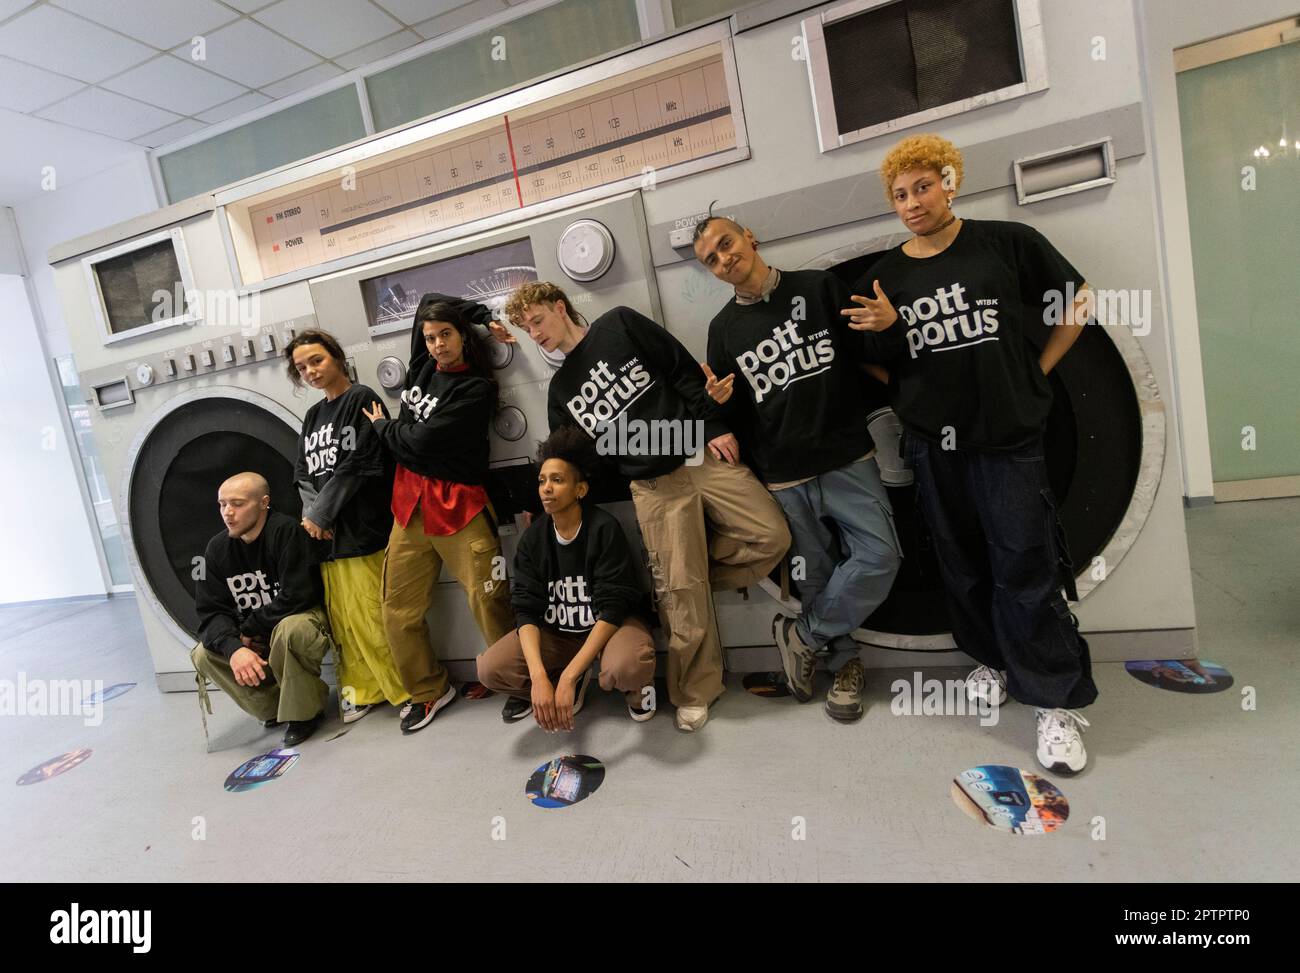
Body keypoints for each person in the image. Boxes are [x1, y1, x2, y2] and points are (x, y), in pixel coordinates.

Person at [849, 132, 1099, 773]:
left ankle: (1054, 700)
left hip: (1010, 438)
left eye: (923, 186)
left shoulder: (1005, 243)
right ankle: (992, 662)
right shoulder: (888, 278)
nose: (912, 202)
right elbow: (875, 365)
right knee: (962, 564)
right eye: (900, 194)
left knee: (1026, 566)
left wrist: (1039, 370)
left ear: (950, 182)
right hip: (936, 448)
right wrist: (895, 346)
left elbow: (1077, 298)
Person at [497, 282, 790, 731]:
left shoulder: (620, 324)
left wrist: (712, 424)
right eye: (526, 329)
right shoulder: (561, 391)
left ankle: (677, 585)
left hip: (699, 452)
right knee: (682, 595)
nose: (535, 334)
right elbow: (579, 463)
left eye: (538, 321)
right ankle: (695, 690)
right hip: (652, 487)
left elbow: (682, 369)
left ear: (560, 307)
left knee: (771, 536)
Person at [693, 213, 904, 721]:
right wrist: (714, 408)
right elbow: (729, 413)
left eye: (727, 243)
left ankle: (802, 635)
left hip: (848, 455)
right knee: (816, 577)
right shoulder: (722, 330)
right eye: (711, 259)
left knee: (881, 557)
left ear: (751, 235)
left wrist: (890, 327)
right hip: (783, 474)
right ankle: (845, 667)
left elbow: (872, 357)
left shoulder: (820, 288)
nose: (724, 259)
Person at [362, 294, 514, 734]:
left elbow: (420, 445)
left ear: (462, 337)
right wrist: (482, 313)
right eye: (429, 337)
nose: (436, 344)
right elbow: (430, 301)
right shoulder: (424, 365)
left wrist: (382, 428)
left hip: (459, 506)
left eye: (446, 334)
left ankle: (516, 680)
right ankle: (429, 690)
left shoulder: (477, 389)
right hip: (409, 507)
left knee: (488, 599)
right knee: (396, 609)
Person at [477, 426, 656, 729]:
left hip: (609, 628)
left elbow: (613, 607)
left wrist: (570, 676)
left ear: (580, 490)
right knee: (490, 668)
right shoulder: (533, 539)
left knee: (629, 664)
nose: (546, 488)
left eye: (557, 480)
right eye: (542, 481)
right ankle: (563, 679)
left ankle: (633, 690)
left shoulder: (603, 528)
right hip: (561, 633)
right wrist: (539, 680)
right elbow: (526, 610)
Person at [286, 329, 408, 726]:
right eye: (302, 367)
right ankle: (363, 690)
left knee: (373, 616)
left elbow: (358, 463)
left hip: (362, 530)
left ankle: (406, 689)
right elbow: (304, 471)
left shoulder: (362, 398)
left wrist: (322, 515)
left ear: (337, 357)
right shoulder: (312, 415)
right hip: (327, 538)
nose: (311, 371)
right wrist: (311, 516)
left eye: (316, 360)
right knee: (344, 622)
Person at [191, 472, 333, 746]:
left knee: (290, 629)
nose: (227, 513)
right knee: (203, 653)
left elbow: (299, 595)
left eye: (237, 503)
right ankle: (273, 708)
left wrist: (249, 627)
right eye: (222, 504)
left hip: (297, 621)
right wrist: (235, 649)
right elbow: (210, 612)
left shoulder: (287, 532)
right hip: (254, 639)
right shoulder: (216, 549)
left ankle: (304, 713)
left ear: (263, 502)